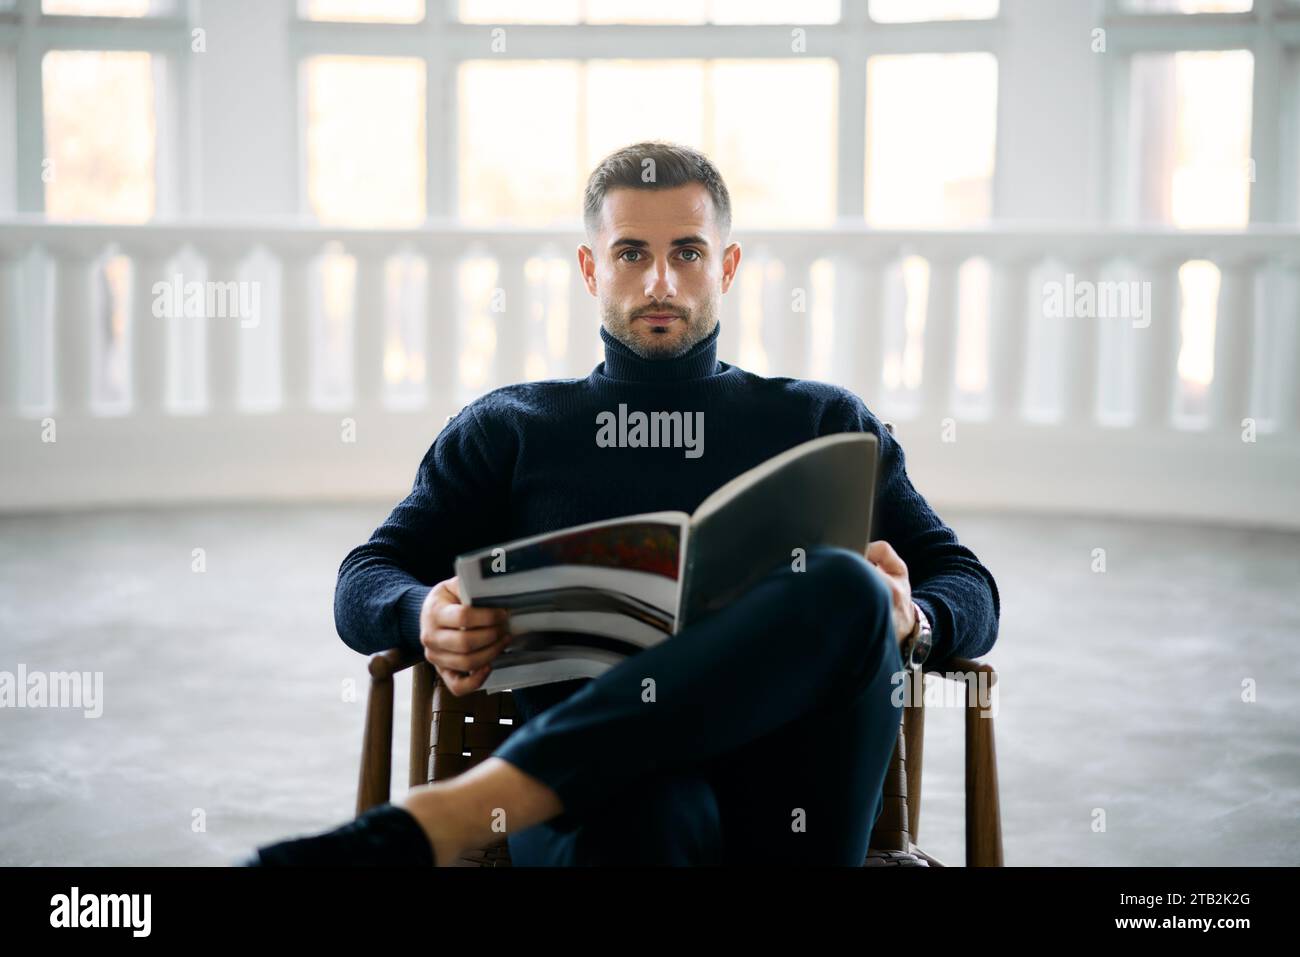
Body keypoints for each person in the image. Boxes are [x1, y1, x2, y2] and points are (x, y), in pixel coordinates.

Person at [243, 141, 1000, 867]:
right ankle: (510, 794)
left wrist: (916, 617)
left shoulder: (822, 422)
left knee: (848, 586)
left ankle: (453, 811)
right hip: (603, 811)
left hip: (794, 802)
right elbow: (365, 575)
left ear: (727, 266)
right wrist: (421, 614)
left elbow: (966, 581)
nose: (661, 283)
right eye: (632, 252)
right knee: (649, 814)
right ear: (590, 268)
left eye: (688, 253)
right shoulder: (511, 429)